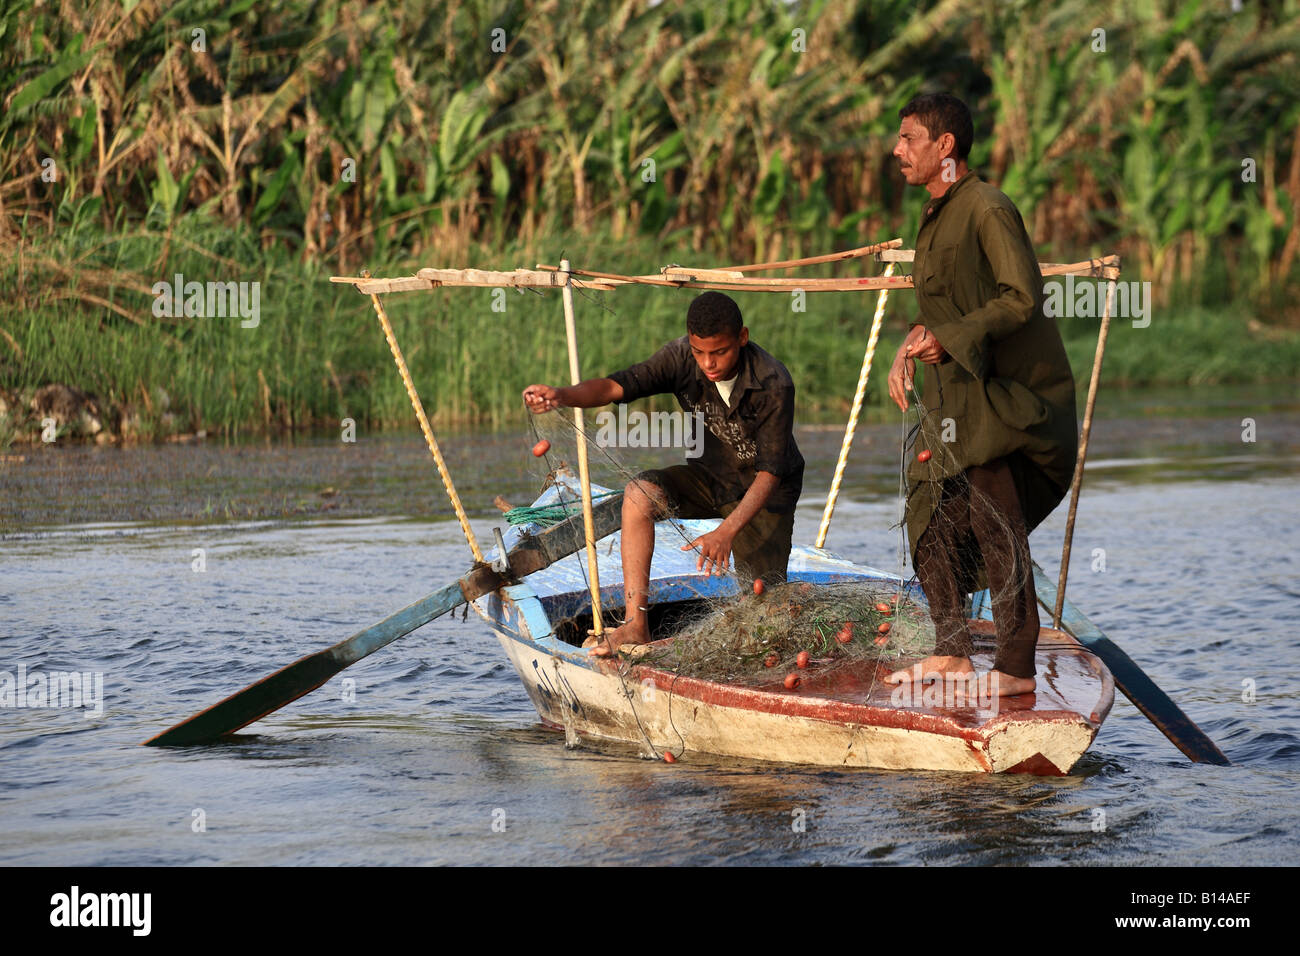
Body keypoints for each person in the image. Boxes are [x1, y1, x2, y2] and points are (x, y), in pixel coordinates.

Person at [881, 93, 1078, 698]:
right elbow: (948, 305)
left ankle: (1016, 670)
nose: (897, 149)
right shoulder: (936, 211)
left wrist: (951, 335)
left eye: (909, 138)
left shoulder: (988, 208)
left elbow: (1021, 296)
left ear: (946, 147)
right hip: (955, 404)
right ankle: (952, 654)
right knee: (932, 522)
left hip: (1008, 401)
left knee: (998, 525)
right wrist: (912, 340)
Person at [522, 291, 804, 658]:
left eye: (719, 352)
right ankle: (636, 626)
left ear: (743, 338)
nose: (708, 363)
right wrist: (561, 394)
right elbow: (613, 387)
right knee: (639, 493)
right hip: (710, 478)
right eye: (700, 352)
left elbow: (770, 473)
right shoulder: (679, 357)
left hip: (766, 494)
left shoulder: (773, 382)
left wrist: (726, 531)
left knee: (762, 611)